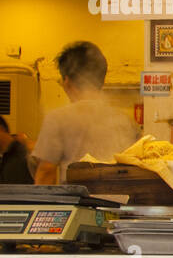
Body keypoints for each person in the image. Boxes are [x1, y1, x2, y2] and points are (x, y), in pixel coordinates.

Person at [32, 41, 140, 185]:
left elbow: (46, 172)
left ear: (66, 81)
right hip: (117, 202)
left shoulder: (57, 119)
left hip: (76, 202)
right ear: (101, 80)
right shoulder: (125, 120)